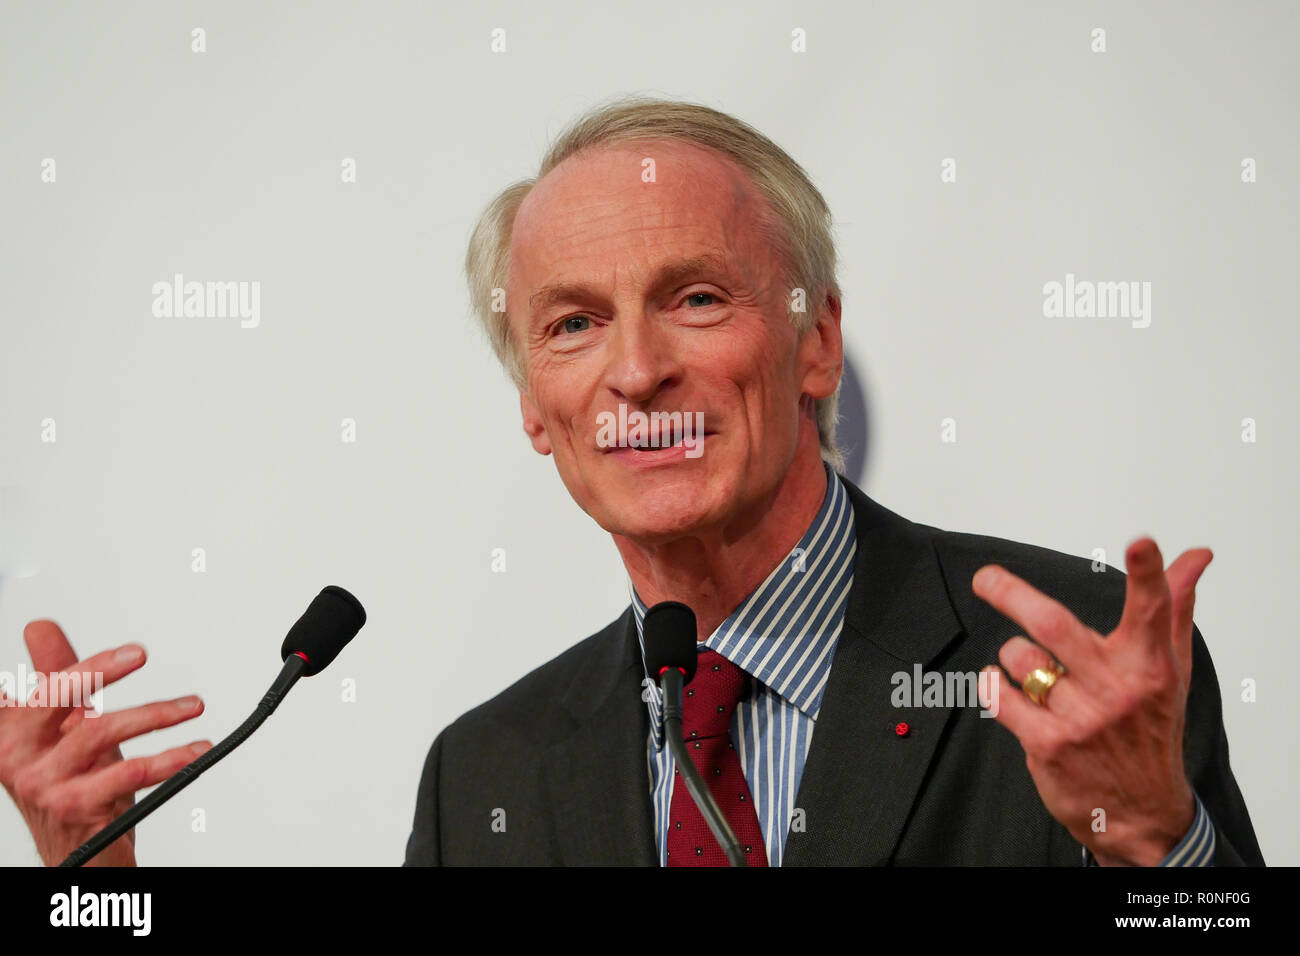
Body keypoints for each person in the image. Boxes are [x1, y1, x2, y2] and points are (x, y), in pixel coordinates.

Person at [1, 96, 1264, 868]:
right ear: (536, 416)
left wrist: (1154, 845)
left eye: (695, 299)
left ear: (816, 340)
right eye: (570, 325)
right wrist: (90, 878)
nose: (637, 370)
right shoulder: (488, 775)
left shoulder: (1068, 664)